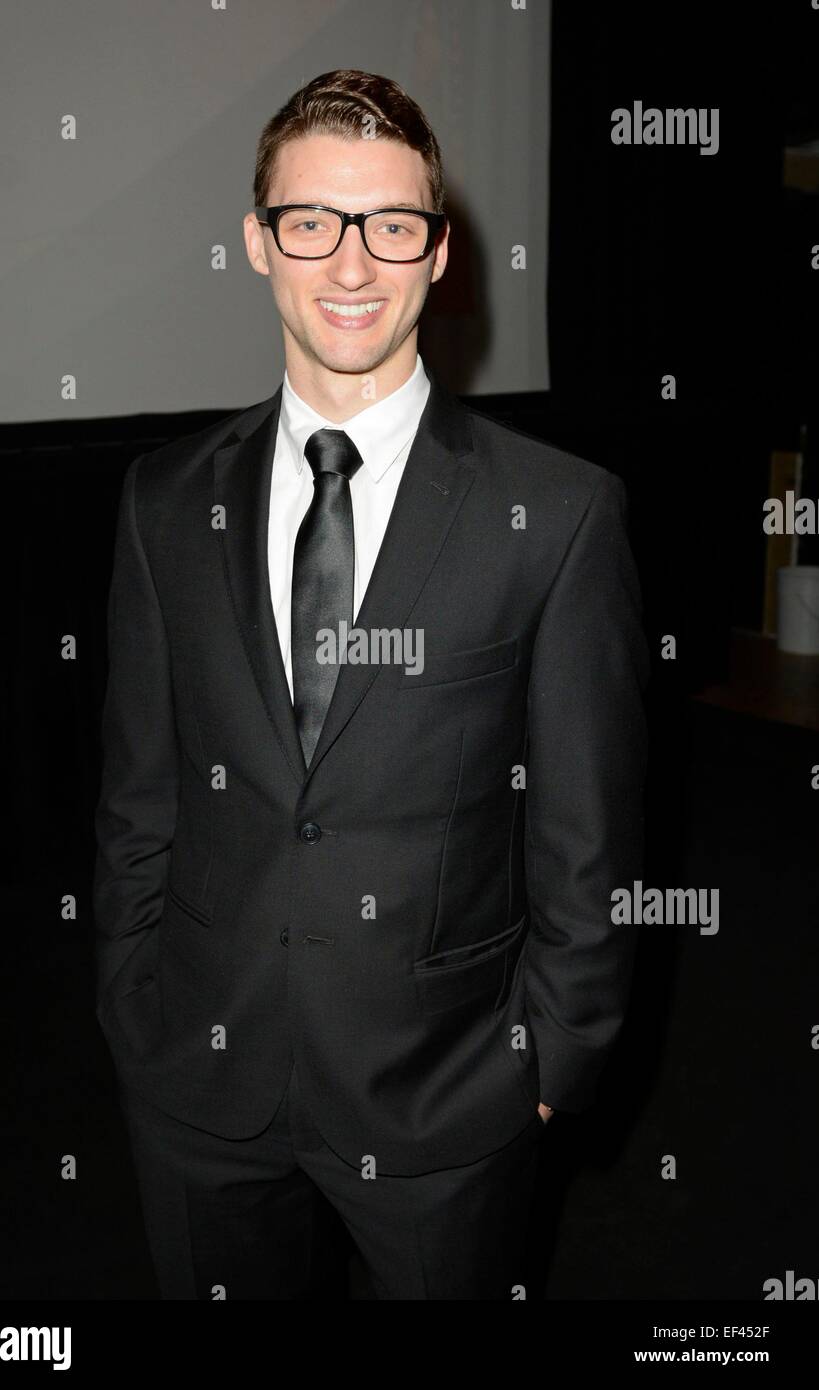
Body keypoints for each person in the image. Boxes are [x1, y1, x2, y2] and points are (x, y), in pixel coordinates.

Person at [93, 68, 649, 1300]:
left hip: (446, 1106)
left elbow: (585, 847)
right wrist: (132, 1008)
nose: (351, 266)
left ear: (438, 252)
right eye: (311, 223)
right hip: (198, 1081)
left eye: (391, 225)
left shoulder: (552, 516)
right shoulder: (164, 501)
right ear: (257, 243)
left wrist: (545, 1065)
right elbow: (139, 798)